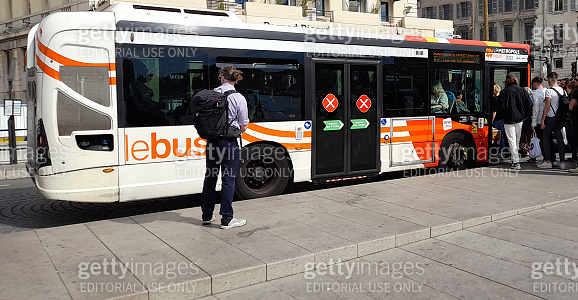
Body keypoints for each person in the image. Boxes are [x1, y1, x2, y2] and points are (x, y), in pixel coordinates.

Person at [201, 66, 249, 229]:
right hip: (229, 143)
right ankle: (227, 218)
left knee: (210, 177)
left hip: (212, 141)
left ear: (222, 78)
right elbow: (243, 125)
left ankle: (207, 215)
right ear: (236, 80)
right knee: (228, 179)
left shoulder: (211, 94)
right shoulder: (238, 97)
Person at [497, 73, 532, 170]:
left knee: (511, 140)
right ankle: (515, 160)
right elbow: (529, 104)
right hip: (520, 119)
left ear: (507, 80)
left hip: (509, 119)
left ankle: (516, 162)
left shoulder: (504, 92)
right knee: (516, 140)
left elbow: (500, 107)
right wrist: (525, 116)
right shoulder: (522, 90)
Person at [538, 72, 567, 169]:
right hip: (559, 118)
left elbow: (547, 106)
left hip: (550, 117)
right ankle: (562, 162)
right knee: (560, 139)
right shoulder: (563, 91)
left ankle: (548, 161)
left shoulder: (549, 91)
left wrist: (542, 120)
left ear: (550, 80)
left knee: (546, 138)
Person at [530, 77, 551, 164]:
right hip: (548, 118)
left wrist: (533, 123)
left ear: (535, 83)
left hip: (539, 120)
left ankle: (546, 159)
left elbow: (535, 109)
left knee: (542, 140)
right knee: (548, 140)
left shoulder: (536, 94)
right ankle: (551, 158)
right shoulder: (547, 91)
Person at [491, 84, 508, 161]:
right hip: (503, 119)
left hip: (497, 119)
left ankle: (501, 151)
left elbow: (494, 111)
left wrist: (492, 120)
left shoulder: (495, 99)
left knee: (499, 137)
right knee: (504, 136)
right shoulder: (502, 98)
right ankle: (505, 151)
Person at [519, 87, 534, 157]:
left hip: (526, 119)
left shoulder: (523, 100)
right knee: (527, 135)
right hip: (527, 119)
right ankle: (526, 149)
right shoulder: (530, 100)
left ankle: (525, 149)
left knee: (525, 135)